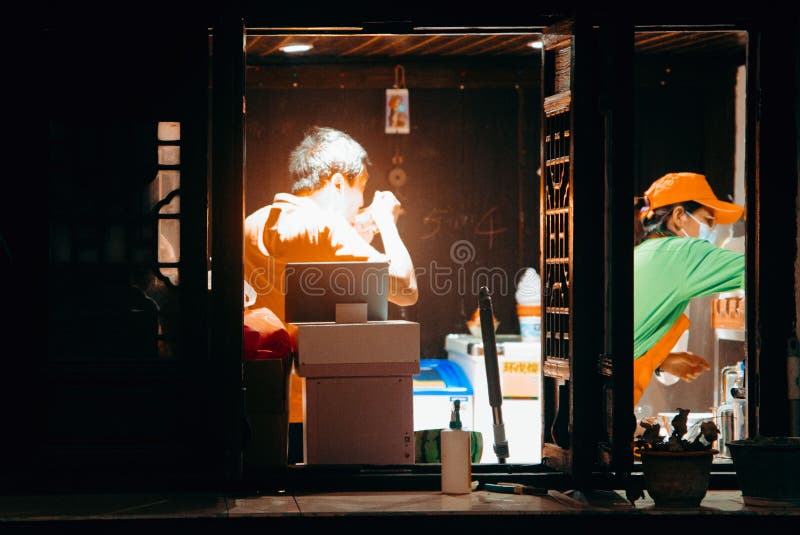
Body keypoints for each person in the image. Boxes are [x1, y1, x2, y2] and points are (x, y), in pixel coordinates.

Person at [243, 126, 418, 462]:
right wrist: (386, 223)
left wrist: (357, 235)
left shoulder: (254, 222)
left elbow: (316, 275)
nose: (361, 204)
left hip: (259, 404)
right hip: (316, 402)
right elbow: (407, 289)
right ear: (339, 183)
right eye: (361, 188)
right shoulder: (325, 227)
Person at [633, 172, 744, 406]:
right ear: (680, 216)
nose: (712, 232)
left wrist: (662, 360)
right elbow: (759, 273)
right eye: (709, 221)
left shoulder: (642, 252)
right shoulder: (683, 252)